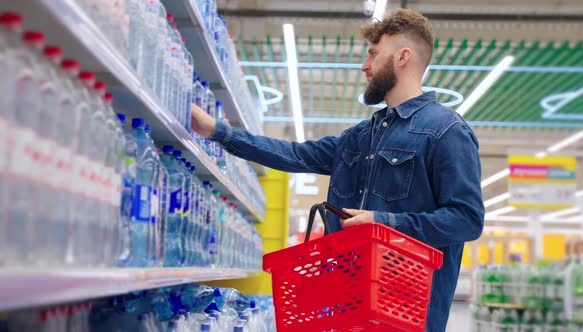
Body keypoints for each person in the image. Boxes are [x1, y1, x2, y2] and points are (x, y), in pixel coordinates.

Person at [191, 8, 484, 331]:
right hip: (347, 314)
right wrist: (216, 131)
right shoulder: (359, 137)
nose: (365, 65)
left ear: (403, 57)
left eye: (373, 54)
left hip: (408, 319)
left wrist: (382, 223)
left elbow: (467, 220)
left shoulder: (446, 131)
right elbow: (294, 154)